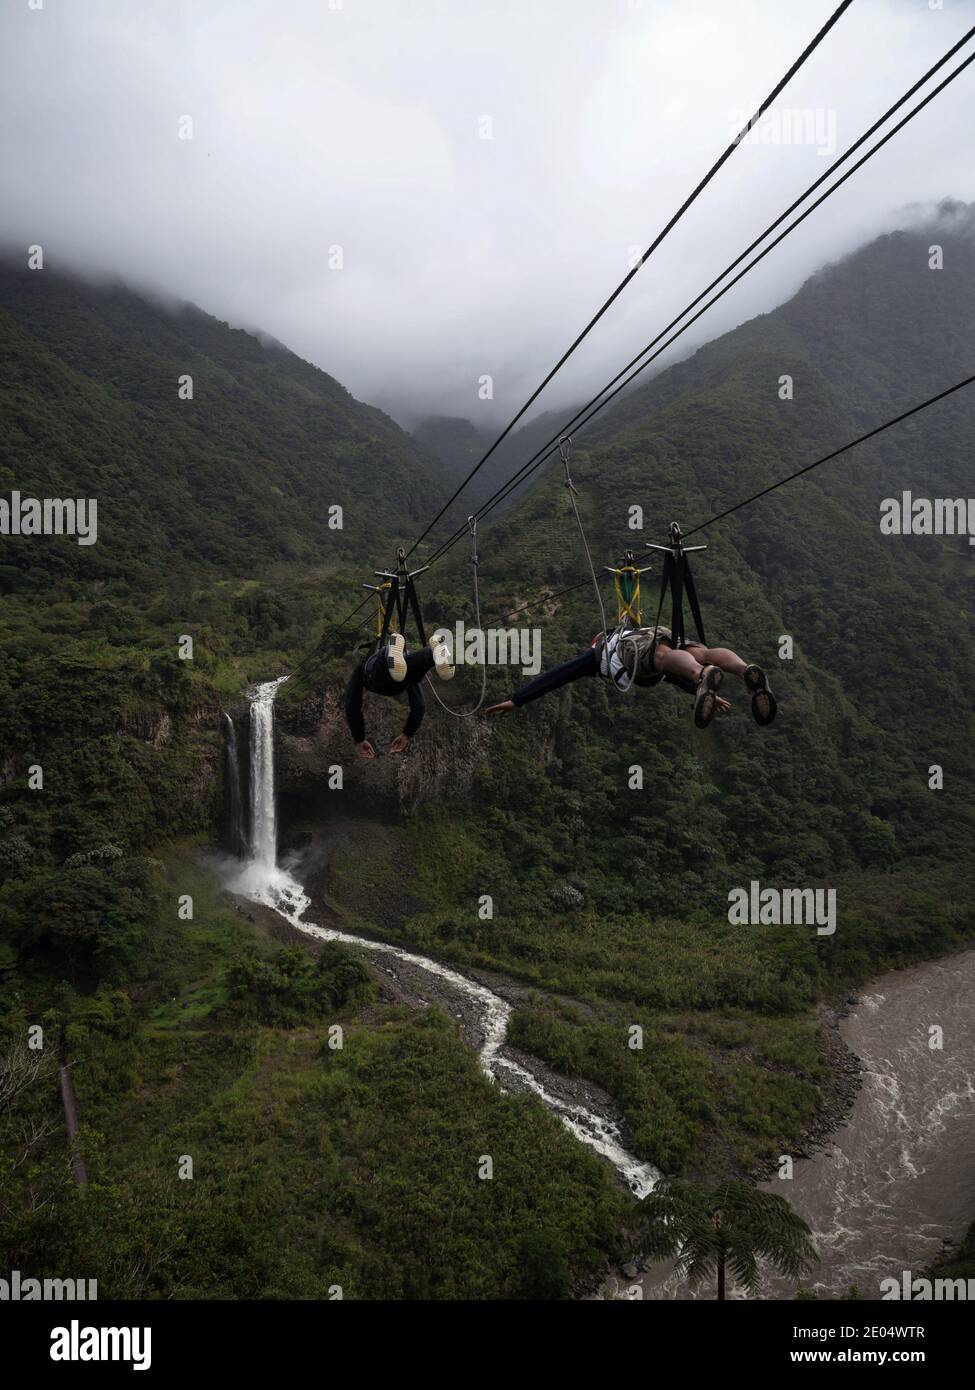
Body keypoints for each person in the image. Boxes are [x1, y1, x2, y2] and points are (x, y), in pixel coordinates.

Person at [485, 624, 776, 728]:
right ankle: (743, 669)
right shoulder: (634, 628)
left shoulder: (599, 654)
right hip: (659, 631)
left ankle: (703, 673)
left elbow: (558, 675)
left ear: (598, 639)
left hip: (634, 652)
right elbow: (676, 679)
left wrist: (517, 700)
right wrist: (700, 691)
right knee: (703, 653)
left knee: (661, 659)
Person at [345, 632, 454, 758]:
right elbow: (419, 706)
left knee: (383, 663)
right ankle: (432, 654)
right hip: (403, 679)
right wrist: (407, 733)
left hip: (379, 680)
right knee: (415, 666)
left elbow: (352, 706)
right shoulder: (402, 665)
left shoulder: (361, 668)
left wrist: (359, 738)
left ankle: (391, 652)